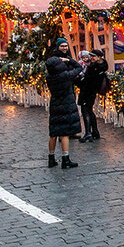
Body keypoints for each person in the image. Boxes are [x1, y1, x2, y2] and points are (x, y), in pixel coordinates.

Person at [43, 39, 84, 168]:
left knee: (53, 133)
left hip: (55, 103)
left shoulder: (50, 78)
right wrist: (68, 60)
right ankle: (65, 159)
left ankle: (51, 158)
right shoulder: (66, 75)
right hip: (66, 103)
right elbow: (79, 67)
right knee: (65, 132)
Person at [77, 50, 107, 143]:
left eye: (94, 56)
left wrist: (77, 80)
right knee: (89, 110)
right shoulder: (102, 66)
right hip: (92, 91)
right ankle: (95, 132)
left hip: (88, 91)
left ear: (99, 57)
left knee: (85, 110)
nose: (91, 58)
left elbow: (87, 80)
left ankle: (88, 133)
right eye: (91, 56)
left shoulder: (94, 67)